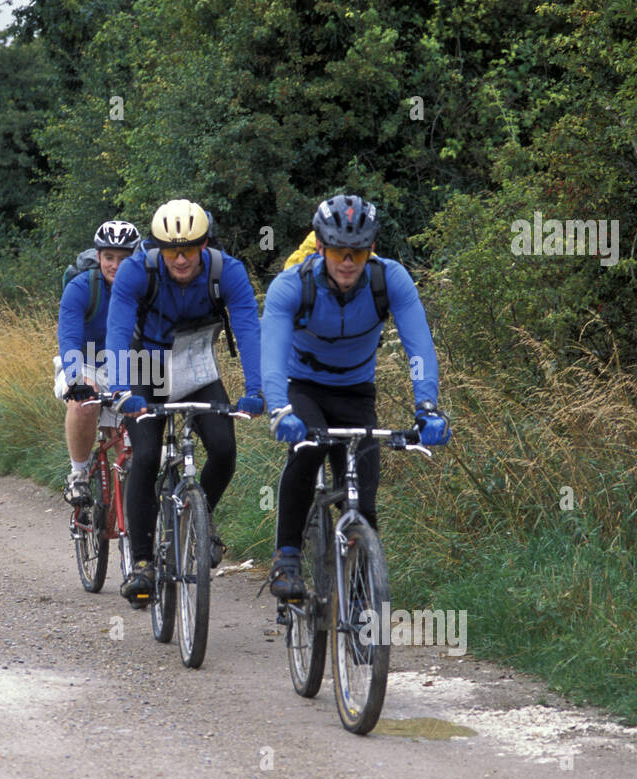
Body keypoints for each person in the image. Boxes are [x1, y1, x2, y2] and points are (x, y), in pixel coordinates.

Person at [260, 194, 451, 599]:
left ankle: (366, 598)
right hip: (304, 385)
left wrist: (428, 408)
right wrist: (279, 408)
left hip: (355, 390)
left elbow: (420, 346)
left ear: (371, 251)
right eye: (339, 252)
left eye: (358, 253)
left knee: (364, 498)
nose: (348, 262)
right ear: (322, 248)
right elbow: (272, 355)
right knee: (307, 449)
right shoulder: (292, 286)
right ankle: (287, 556)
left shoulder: (390, 279)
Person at [104, 199, 265, 608]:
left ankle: (199, 518)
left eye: (189, 249)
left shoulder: (226, 271)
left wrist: (257, 388)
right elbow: (119, 331)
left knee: (225, 450)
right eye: (170, 249)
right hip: (148, 366)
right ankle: (142, 562)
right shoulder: (136, 270)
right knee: (144, 456)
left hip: (196, 364)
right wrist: (123, 391)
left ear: (204, 244)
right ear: (157, 247)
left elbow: (247, 327)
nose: (179, 258)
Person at [56, 220, 141, 505]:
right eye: (109, 258)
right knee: (82, 405)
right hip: (85, 361)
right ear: (98, 256)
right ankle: (78, 475)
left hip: (127, 363)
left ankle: (132, 509)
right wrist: (78, 379)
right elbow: (68, 340)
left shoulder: (146, 288)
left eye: (123, 259)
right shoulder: (82, 288)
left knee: (133, 431)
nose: (115, 265)